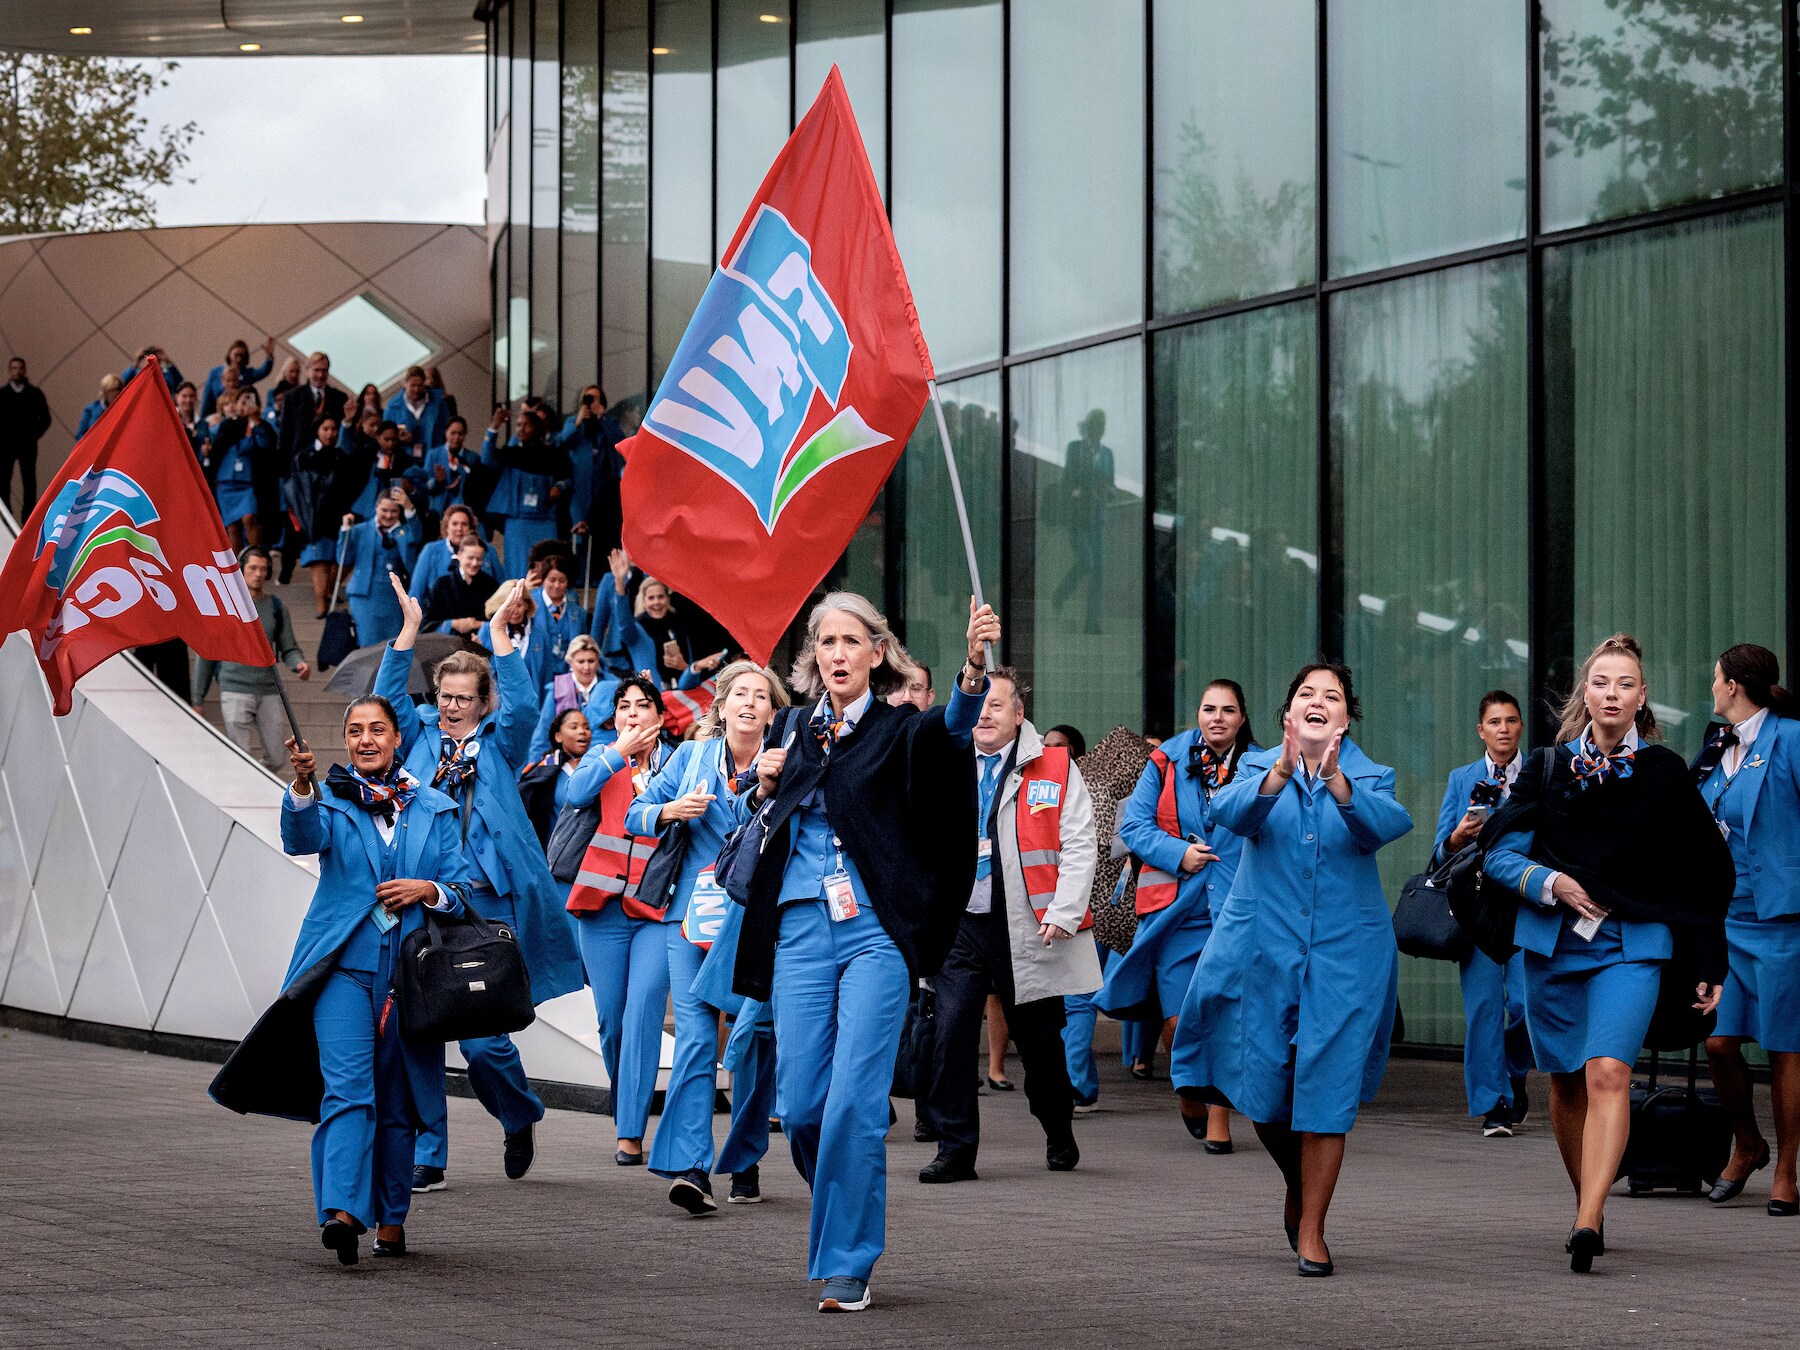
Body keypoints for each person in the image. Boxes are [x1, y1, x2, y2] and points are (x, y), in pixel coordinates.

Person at [731, 592, 998, 1312]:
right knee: (804, 1107)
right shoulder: (790, 728)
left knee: (854, 1102)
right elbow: (754, 816)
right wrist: (761, 784)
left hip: (876, 933)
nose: (838, 653)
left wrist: (973, 669)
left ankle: (848, 1262)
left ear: (878, 653)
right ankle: (843, 1195)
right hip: (798, 928)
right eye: (826, 641)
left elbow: (952, 729)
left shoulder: (898, 728)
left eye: (852, 641)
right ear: (813, 656)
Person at [1484, 634, 1731, 1272]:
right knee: (1566, 1079)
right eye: (1601, 683)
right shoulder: (1548, 766)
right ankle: (1585, 1200)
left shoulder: (1665, 773)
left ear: (1642, 697)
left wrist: (1711, 961)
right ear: (1585, 695)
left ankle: (1589, 1217)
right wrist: (1551, 882)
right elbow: (1498, 854)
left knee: (1608, 1074)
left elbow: (1705, 871)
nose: (1612, 694)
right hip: (1552, 947)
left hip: (1632, 945)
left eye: (1625, 684)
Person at [1177, 663, 1412, 1277]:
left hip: (1347, 956)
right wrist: (1282, 770)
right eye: (1307, 693)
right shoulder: (1257, 768)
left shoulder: (1369, 775)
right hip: (1263, 949)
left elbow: (1386, 825)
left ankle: (1313, 1229)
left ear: (1346, 717)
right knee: (1265, 1086)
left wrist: (1334, 778)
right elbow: (1227, 814)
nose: (1318, 701)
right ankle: (1297, 1182)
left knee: (1328, 1090)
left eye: (1332, 696)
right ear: (1288, 714)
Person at [374, 577, 586, 1191]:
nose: (452, 707)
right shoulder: (416, 735)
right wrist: (407, 635)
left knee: (484, 1042)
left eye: (464, 699)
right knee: (419, 1027)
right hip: (420, 895)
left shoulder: (501, 741)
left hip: (488, 902)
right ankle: (429, 1154)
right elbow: (386, 701)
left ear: (482, 702)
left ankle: (518, 1114)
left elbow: (521, 704)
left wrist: (498, 637)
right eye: (445, 696)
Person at [276, 700, 470, 1265]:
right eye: (355, 731)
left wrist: (427, 890)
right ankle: (341, 1211)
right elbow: (300, 838)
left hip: (412, 978)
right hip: (342, 972)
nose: (366, 739)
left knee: (397, 1101)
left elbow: (462, 893)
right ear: (345, 742)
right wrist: (303, 785)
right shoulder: (330, 802)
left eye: (377, 729)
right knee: (348, 1090)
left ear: (396, 739)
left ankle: (391, 1219)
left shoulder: (435, 807)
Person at [919, 666, 1100, 1182]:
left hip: (1026, 926)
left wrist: (1064, 912)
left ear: (1019, 715)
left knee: (1040, 1045)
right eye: (978, 705)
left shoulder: (1055, 766)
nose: (984, 714)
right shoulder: (944, 758)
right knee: (951, 1034)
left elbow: (1080, 843)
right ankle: (955, 1150)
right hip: (959, 924)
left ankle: (1057, 1125)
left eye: (996, 705)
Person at [630, 660, 791, 1211]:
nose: (749, 702)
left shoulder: (786, 760)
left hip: (756, 920)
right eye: (739, 693)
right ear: (722, 706)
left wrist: (764, 793)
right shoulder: (690, 756)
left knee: (750, 1040)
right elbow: (635, 813)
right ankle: (692, 1168)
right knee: (697, 1039)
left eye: (761, 696)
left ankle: (744, 1159)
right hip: (689, 917)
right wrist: (670, 810)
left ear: (772, 713)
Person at [1112, 679, 1260, 1153]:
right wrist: (1179, 853)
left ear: (1241, 718)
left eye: (1228, 710)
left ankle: (1220, 1119)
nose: (1218, 717)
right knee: (1178, 1022)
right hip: (1176, 912)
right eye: (1209, 708)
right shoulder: (1165, 760)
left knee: (1225, 1015)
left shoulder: (1263, 765)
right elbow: (1133, 827)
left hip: (1237, 910)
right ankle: (1191, 1091)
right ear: (1198, 713)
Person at [1696, 644, 1800, 1216]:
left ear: (1733, 685)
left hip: (1783, 920)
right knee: (1718, 1042)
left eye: (1716, 678)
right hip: (1727, 921)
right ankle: (1749, 1143)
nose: (1712, 687)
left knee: (1786, 1048)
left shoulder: (1792, 739)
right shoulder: (1717, 746)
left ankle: (1787, 1170)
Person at [557, 675, 675, 1165]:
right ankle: (625, 1102)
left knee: (643, 1009)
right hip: (600, 907)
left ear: (659, 717)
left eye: (642, 705)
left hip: (657, 911)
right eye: (623, 706)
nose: (631, 713)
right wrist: (616, 754)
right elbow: (576, 793)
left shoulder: (680, 761)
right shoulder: (601, 757)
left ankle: (630, 1129)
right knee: (611, 1020)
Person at [1431, 690, 1534, 1137]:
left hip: (1528, 905)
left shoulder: (1541, 771)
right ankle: (1494, 1104)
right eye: (1495, 722)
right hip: (1476, 906)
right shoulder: (1462, 779)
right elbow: (1438, 856)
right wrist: (1457, 837)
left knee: (1529, 1005)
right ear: (1481, 730)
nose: (1504, 729)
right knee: (1484, 1009)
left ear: (1520, 727)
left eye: (1511, 720)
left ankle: (1512, 1069)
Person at [192, 547, 310, 770]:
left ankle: (253, 780)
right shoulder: (223, 606)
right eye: (253, 568)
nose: (258, 574)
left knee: (277, 757)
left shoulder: (276, 607)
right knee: (241, 756)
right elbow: (206, 655)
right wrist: (198, 699)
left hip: (268, 689)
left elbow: (288, 647)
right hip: (234, 688)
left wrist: (299, 664)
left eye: (263, 569)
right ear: (241, 569)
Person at [596, 548, 716, 693]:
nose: (656, 602)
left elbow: (691, 680)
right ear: (644, 602)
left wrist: (686, 666)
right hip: (652, 696)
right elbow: (623, 623)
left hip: (679, 697)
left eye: (661, 597)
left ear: (667, 599)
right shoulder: (636, 632)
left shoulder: (677, 628)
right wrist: (620, 584)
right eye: (651, 598)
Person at [483, 404, 570, 579]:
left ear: (537, 428)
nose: (521, 429)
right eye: (518, 425)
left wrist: (559, 486)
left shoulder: (553, 454)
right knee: (518, 571)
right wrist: (494, 427)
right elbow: (487, 459)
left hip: (546, 521)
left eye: (526, 425)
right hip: (518, 522)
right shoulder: (512, 453)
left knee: (547, 568)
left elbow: (568, 478)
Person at [339, 491, 424, 650]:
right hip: (364, 596)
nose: (388, 515)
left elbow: (416, 536)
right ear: (376, 507)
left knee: (394, 643)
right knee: (367, 643)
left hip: (394, 597)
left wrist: (409, 508)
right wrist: (345, 530)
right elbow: (343, 558)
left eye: (394, 511)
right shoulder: (360, 530)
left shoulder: (405, 531)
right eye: (384, 510)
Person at [289, 415, 351, 617]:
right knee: (319, 561)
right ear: (317, 430)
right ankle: (321, 604)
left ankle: (327, 591)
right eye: (326, 428)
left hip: (337, 515)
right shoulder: (304, 456)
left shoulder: (341, 456)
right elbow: (298, 488)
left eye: (333, 429)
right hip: (313, 516)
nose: (330, 433)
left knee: (339, 560)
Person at [527, 634, 615, 764]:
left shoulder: (613, 687)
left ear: (597, 661)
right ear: (570, 661)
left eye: (591, 661)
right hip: (569, 763)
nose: (586, 667)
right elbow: (542, 735)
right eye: (581, 662)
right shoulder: (557, 690)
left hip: (607, 759)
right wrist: (534, 767)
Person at [212, 389, 275, 549]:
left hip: (248, 483)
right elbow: (216, 449)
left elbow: (265, 445)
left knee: (249, 518)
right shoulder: (227, 425)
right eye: (242, 401)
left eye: (249, 401)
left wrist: (255, 420)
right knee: (232, 526)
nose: (245, 405)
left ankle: (254, 555)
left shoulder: (260, 426)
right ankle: (237, 563)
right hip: (226, 483)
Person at [519, 706, 591, 845]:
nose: (582, 731)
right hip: (553, 848)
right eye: (573, 727)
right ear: (558, 736)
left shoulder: (595, 767)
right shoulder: (543, 770)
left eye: (586, 727)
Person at [411, 504, 499, 601]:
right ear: (446, 527)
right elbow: (416, 592)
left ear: (471, 528)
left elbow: (502, 587)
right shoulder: (430, 550)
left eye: (464, 524)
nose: (459, 529)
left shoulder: (489, 551)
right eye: (454, 524)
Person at [0, 356, 52, 514]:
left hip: (27, 445)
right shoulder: (2, 394)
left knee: (29, 481)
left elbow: (46, 418)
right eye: (14, 368)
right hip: (6, 446)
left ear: (24, 370)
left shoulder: (34, 394)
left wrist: (33, 435)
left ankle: (28, 516)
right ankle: (6, 516)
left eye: (20, 368)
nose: (17, 371)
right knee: (4, 480)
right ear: (10, 370)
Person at [423, 535, 501, 637]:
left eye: (479, 559)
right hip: (448, 643)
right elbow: (427, 623)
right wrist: (452, 624)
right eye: (470, 558)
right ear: (459, 555)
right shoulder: (442, 585)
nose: (474, 563)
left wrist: (477, 624)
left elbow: (500, 621)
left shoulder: (490, 584)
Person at [531, 554, 588, 669]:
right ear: (543, 579)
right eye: (552, 580)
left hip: (567, 671)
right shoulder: (530, 604)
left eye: (562, 581)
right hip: (537, 669)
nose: (557, 585)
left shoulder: (578, 612)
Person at [202, 337, 275, 419]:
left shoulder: (247, 374)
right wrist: (203, 421)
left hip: (241, 417)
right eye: (236, 355)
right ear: (230, 353)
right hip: (218, 417)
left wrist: (269, 357)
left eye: (242, 356)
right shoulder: (215, 373)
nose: (239, 359)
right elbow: (207, 399)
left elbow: (263, 371)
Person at [419, 416, 476, 519]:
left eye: (461, 434)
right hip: (438, 511)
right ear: (446, 432)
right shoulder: (433, 454)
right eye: (453, 433)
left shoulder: (472, 458)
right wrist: (437, 481)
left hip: (463, 511)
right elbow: (425, 485)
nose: (457, 437)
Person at [386, 365, 451, 453]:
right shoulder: (393, 407)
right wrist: (399, 438)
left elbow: (448, 428)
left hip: (434, 454)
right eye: (413, 385)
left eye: (420, 385)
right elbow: (385, 436)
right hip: (405, 456)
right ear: (405, 384)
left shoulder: (439, 403)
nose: (416, 390)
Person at [75, 373, 122, 438]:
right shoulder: (91, 409)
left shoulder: (122, 408)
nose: (116, 392)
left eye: (118, 389)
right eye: (112, 390)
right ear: (105, 392)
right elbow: (80, 435)